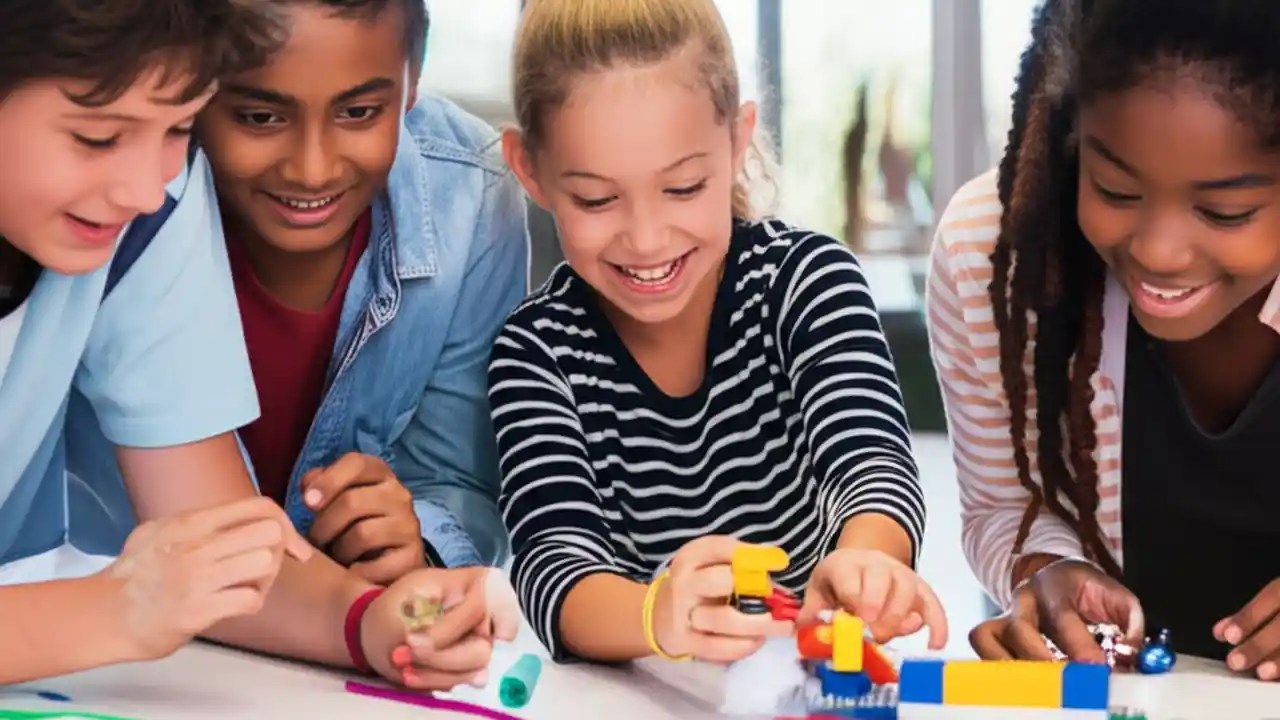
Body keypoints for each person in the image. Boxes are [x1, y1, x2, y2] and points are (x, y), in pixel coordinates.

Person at [1, 0, 514, 689]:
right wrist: (110, 612)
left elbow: (213, 540)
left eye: (178, 127)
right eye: (96, 138)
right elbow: (142, 599)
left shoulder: (150, 205)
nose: (146, 190)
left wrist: (368, 621)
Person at [490, 0, 947, 664]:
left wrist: (867, 563)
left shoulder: (807, 283)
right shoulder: (537, 354)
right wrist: (657, 615)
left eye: (683, 188)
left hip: (807, 681)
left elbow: (872, 467)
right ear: (528, 168)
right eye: (596, 199)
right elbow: (554, 569)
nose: (647, 240)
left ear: (737, 142)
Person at [927, 0, 1280, 680]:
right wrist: (1047, 566)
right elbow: (1003, 505)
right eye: (1115, 190)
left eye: (1225, 211)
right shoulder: (1001, 259)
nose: (1158, 252)